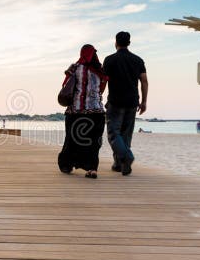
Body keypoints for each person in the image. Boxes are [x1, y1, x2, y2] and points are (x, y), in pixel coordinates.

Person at [58, 44, 108, 179]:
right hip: (96, 112)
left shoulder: (74, 68)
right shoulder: (100, 70)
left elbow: (65, 86)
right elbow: (101, 90)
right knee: (93, 142)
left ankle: (66, 165)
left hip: (75, 112)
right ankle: (92, 169)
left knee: (72, 139)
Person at [103, 31, 147, 176]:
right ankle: (119, 164)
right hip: (132, 102)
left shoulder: (109, 60)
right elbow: (144, 81)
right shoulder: (138, 60)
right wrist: (144, 101)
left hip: (115, 101)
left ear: (116, 43)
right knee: (126, 135)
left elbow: (103, 80)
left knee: (113, 134)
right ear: (129, 43)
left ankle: (126, 158)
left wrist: (99, 96)